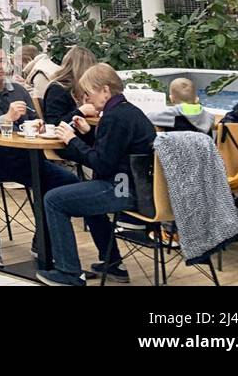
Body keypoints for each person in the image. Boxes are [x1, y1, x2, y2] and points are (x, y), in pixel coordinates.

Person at [40, 63, 158, 286]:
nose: (86, 100)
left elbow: (101, 164)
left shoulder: (115, 117)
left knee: (54, 200)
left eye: (88, 93)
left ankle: (67, 273)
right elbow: (113, 152)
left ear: (105, 90)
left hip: (123, 188)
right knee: (84, 202)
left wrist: (72, 140)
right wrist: (89, 133)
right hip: (138, 187)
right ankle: (113, 264)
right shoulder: (128, 112)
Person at [0, 49, 77, 268]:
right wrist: (6, 117)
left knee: (67, 182)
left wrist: (37, 125)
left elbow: (33, 120)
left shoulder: (20, 91)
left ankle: (41, 241)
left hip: (21, 157)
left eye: (2, 61)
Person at [40, 46, 97, 127]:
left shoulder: (80, 89)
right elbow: (53, 123)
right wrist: (81, 112)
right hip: (66, 137)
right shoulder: (57, 89)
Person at [148, 77, 217, 134]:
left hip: (177, 150)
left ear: (171, 99)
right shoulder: (209, 116)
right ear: (197, 99)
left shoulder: (172, 114)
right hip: (203, 150)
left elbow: (149, 117)